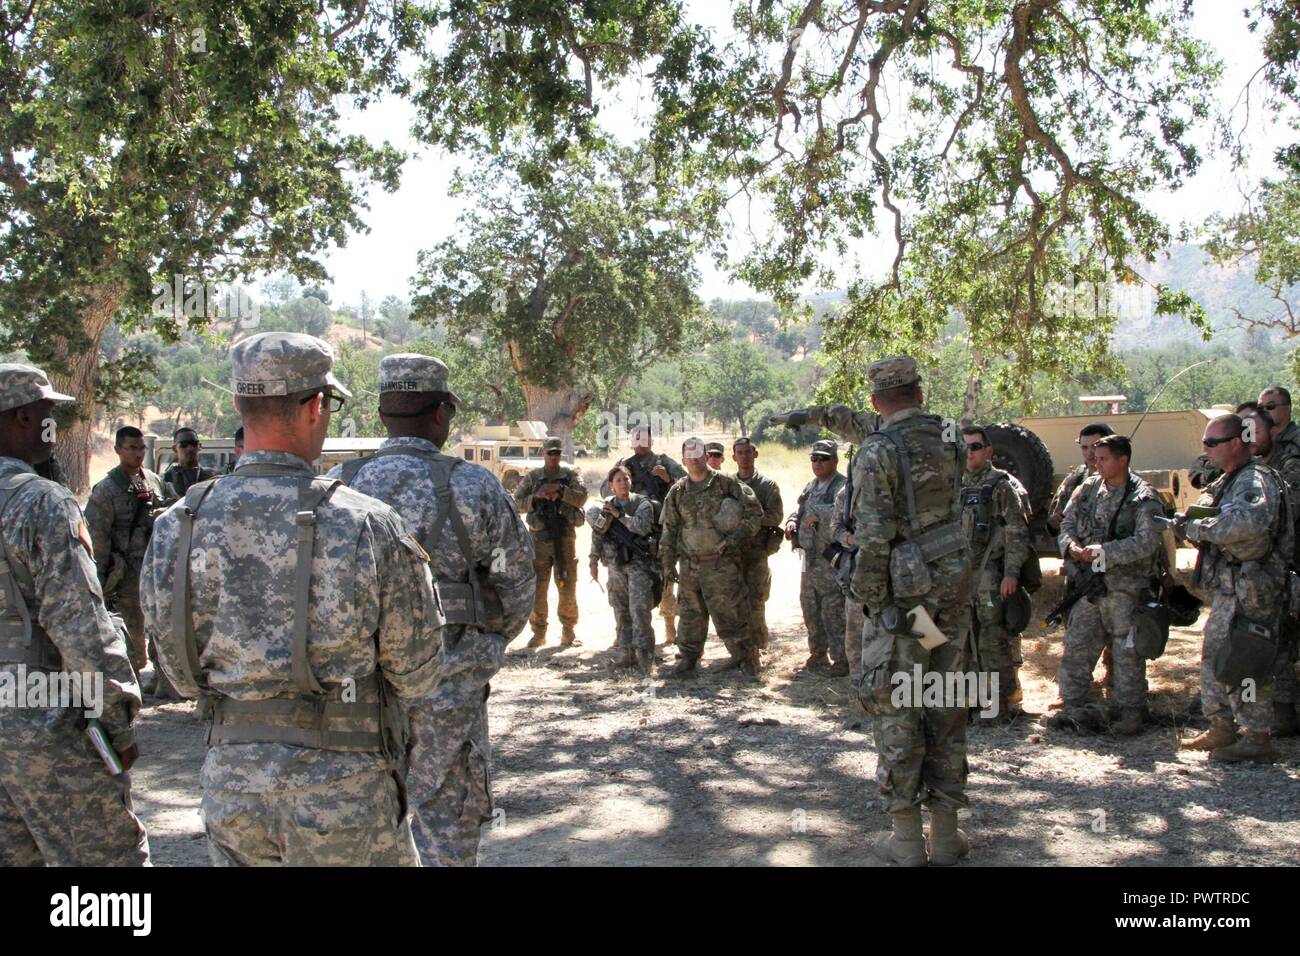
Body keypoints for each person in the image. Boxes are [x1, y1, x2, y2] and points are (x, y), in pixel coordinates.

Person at [139, 331, 443, 866]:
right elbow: (417, 671)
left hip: (233, 792)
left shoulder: (177, 525)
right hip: (346, 792)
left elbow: (179, 675)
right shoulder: (364, 522)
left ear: (238, 403)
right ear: (317, 405)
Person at [330, 353, 534, 866]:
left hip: (358, 695)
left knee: (363, 825)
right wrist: (477, 650)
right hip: (450, 687)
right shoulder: (475, 485)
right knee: (447, 826)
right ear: (441, 414)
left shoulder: (335, 487)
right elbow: (516, 588)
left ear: (382, 414)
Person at [0, 364, 150, 865]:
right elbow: (81, 628)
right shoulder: (40, 502)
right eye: (48, 415)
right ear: (23, 416)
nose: (54, 426)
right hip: (42, 726)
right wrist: (116, 723)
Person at [852, 356, 971, 867]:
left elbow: (875, 537)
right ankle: (946, 837)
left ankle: (906, 839)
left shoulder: (876, 450)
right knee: (944, 703)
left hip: (904, 601)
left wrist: (869, 597)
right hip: (950, 595)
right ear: (920, 394)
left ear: (878, 402)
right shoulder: (951, 437)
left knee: (898, 706)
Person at [1175, 414, 1292, 763]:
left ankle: (1257, 736)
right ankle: (1222, 726)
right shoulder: (1228, 480)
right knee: (1215, 656)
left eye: (1212, 442)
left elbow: (1246, 523)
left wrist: (1197, 529)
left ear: (1235, 443)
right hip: (1230, 589)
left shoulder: (1254, 480)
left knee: (1247, 660)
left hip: (1253, 589)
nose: (1205, 449)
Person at [1048, 435, 1165, 736]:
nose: (1095, 462)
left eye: (1103, 459)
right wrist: (1071, 547)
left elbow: (1148, 541)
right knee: (1077, 645)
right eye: (1094, 458)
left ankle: (1130, 711)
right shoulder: (1087, 489)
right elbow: (1067, 524)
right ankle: (1072, 705)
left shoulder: (1143, 497)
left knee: (1127, 654)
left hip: (1125, 588)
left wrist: (1106, 552)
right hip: (1090, 587)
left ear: (1122, 460)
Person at [660, 437, 763, 677]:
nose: (694, 459)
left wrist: (735, 539)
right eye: (689, 455)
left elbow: (754, 512)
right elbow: (670, 529)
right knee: (689, 615)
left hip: (721, 565)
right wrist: (667, 563)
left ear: (706, 456)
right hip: (689, 566)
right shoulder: (677, 491)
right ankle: (688, 658)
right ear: (683, 459)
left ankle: (746, 658)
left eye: (699, 454)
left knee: (731, 613)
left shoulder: (727, 483)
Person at [84, 425, 174, 690]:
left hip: (156, 569)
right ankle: (130, 683)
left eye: (141, 448)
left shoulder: (154, 481)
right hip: (125, 576)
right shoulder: (107, 490)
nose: (138, 453)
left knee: (162, 626)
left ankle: (164, 680)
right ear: (117, 450)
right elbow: (97, 536)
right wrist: (99, 580)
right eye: (132, 448)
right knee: (132, 634)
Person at [961, 426, 1032, 720]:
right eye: (964, 447)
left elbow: (1016, 533)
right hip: (961, 576)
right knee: (965, 641)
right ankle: (973, 701)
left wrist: (1011, 574)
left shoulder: (1002, 486)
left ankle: (1002, 704)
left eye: (975, 447)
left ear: (989, 450)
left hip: (991, 574)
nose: (969, 452)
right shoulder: (955, 486)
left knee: (993, 640)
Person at [1238, 401, 1300, 736]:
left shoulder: (1278, 470)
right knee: (1250, 643)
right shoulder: (1242, 471)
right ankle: (1252, 713)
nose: (1248, 437)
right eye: (1242, 431)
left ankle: (1283, 712)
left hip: (1275, 569)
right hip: (1246, 574)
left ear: (1273, 433)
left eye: (1254, 431)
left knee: (1277, 643)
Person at [610, 424, 687, 644]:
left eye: (645, 439)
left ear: (652, 441)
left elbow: (687, 486)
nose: (641, 443)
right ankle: (624, 632)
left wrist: (667, 480)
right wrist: (622, 473)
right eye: (636, 439)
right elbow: (608, 490)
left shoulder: (664, 462)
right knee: (623, 584)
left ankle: (669, 627)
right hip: (627, 531)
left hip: (659, 530)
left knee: (665, 579)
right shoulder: (625, 465)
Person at [513, 437, 588, 648]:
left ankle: (568, 631)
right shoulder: (533, 477)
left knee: (567, 585)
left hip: (564, 539)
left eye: (557, 453)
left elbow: (582, 497)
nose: (553, 457)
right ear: (543, 454)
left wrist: (561, 492)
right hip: (539, 541)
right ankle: (539, 632)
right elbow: (516, 502)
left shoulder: (570, 476)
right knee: (538, 588)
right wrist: (535, 498)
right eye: (550, 453)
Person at [786, 439, 849, 675]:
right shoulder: (811, 486)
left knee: (833, 610)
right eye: (814, 458)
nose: (818, 463)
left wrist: (817, 515)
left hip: (830, 559)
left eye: (824, 458)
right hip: (809, 559)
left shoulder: (843, 487)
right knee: (810, 606)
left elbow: (843, 513)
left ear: (835, 460)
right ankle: (817, 653)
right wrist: (793, 521)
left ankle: (841, 659)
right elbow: (800, 509)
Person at [588, 464, 658, 673]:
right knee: (621, 609)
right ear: (611, 485)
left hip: (638, 565)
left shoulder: (641, 503)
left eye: (626, 479)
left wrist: (620, 516)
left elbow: (642, 527)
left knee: (640, 610)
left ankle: (645, 656)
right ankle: (627, 653)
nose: (623, 484)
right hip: (615, 565)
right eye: (618, 480)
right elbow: (597, 533)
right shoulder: (605, 506)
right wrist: (593, 560)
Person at [732, 437, 784, 652]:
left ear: (755, 454)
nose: (744, 456)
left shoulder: (767, 485)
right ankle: (741, 650)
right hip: (733, 552)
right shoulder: (728, 484)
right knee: (734, 601)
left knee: (756, 600)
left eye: (748, 452)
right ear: (734, 457)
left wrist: (751, 518)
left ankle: (759, 647)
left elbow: (776, 517)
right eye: (740, 453)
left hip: (756, 552)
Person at [1046, 423, 1114, 533]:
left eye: (1095, 446)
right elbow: (1057, 517)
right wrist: (1053, 523)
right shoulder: (1074, 480)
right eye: (1084, 447)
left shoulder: (1121, 479)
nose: (1089, 453)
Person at [162, 426, 218, 496]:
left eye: (194, 444)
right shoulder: (167, 479)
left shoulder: (212, 477)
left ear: (199, 446)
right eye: (184, 444)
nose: (190, 448)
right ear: (174, 449)